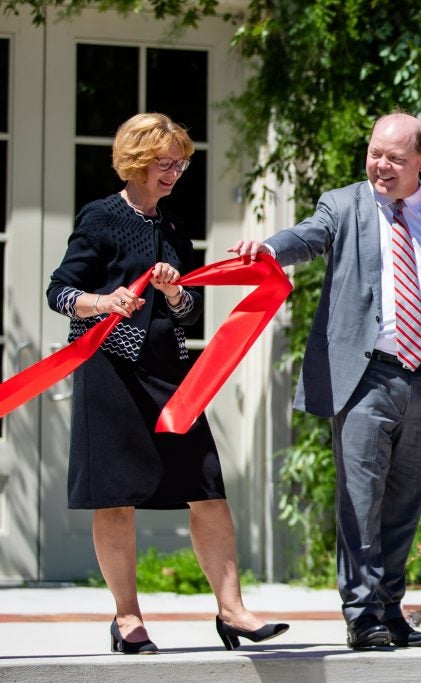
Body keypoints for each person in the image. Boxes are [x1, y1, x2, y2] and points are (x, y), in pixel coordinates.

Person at [47, 112, 288, 654]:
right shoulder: (101, 217)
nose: (174, 173)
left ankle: (233, 611)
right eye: (164, 163)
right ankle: (127, 619)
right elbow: (59, 290)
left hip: (168, 374)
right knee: (115, 498)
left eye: (179, 164)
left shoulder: (174, 227)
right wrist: (105, 302)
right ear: (136, 162)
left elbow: (189, 312)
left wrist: (177, 295)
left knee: (206, 485)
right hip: (108, 368)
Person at [229, 112, 421, 650]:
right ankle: (362, 615)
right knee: (360, 499)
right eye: (375, 153)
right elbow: (308, 237)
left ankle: (390, 608)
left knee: (405, 500)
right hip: (365, 375)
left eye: (395, 158)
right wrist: (268, 248)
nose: (381, 165)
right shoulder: (344, 204)